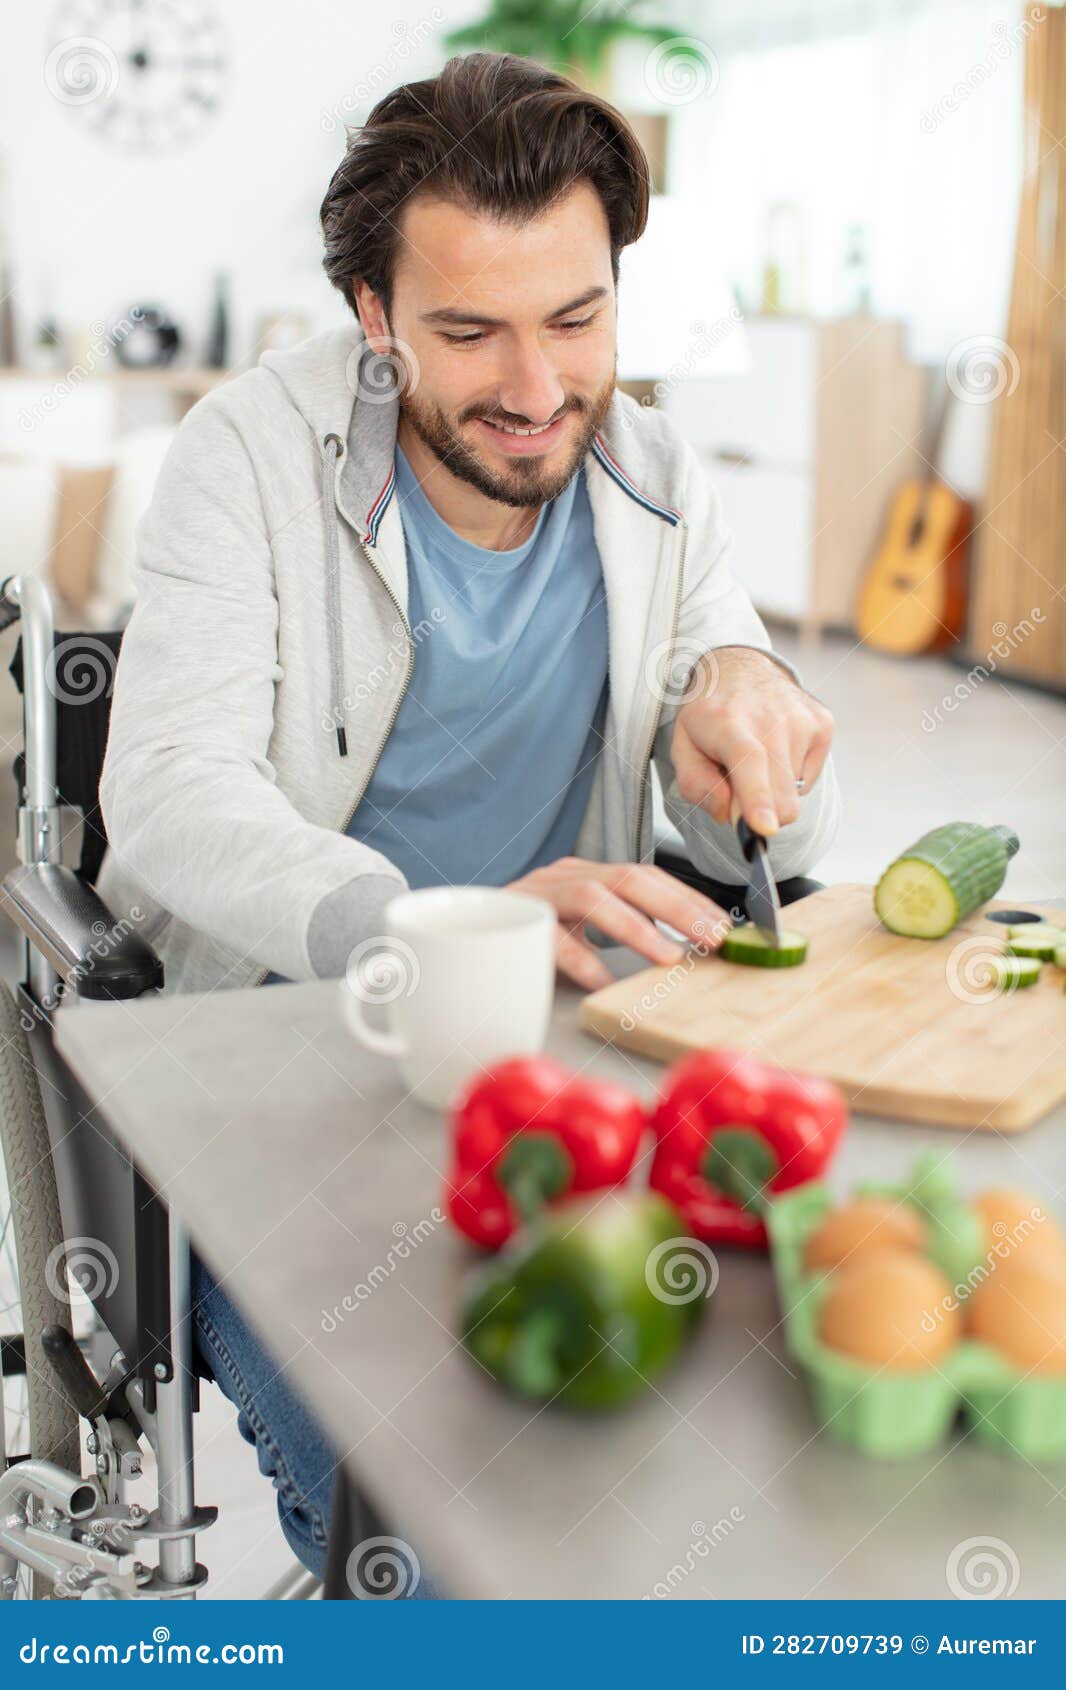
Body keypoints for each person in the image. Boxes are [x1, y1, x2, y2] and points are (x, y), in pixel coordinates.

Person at [99, 52, 840, 1590]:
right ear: (374, 320)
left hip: (552, 1079)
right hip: (273, 1082)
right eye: (466, 331)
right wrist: (449, 936)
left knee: (734, 1451)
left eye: (575, 319)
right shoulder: (245, 455)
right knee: (442, 1547)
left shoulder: (653, 473)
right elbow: (169, 787)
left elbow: (754, 822)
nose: (533, 385)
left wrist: (753, 715)